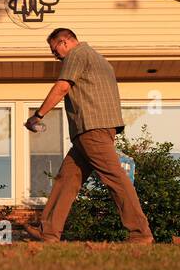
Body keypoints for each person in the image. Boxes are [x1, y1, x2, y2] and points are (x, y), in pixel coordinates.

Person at [23, 28, 154, 245]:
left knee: (115, 178)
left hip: (92, 129)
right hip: (97, 129)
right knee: (67, 179)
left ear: (64, 42)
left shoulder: (76, 55)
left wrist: (38, 115)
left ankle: (141, 233)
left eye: (54, 49)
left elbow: (62, 87)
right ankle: (49, 232)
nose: (54, 55)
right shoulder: (98, 59)